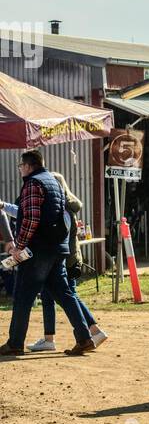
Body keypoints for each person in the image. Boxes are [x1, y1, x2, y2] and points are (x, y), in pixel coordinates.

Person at [0, 150, 94, 356]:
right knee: (65, 293)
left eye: (20, 166)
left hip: (38, 251)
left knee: (23, 296)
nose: (19, 170)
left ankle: (15, 343)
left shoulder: (33, 184)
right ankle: (85, 337)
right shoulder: (53, 182)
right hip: (57, 249)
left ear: (28, 166)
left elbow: (31, 219)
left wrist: (19, 246)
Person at [30, 173, 107, 353]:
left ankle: (94, 330)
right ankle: (49, 338)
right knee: (51, 297)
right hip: (68, 259)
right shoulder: (68, 207)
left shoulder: (62, 209)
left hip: (65, 260)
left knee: (69, 296)